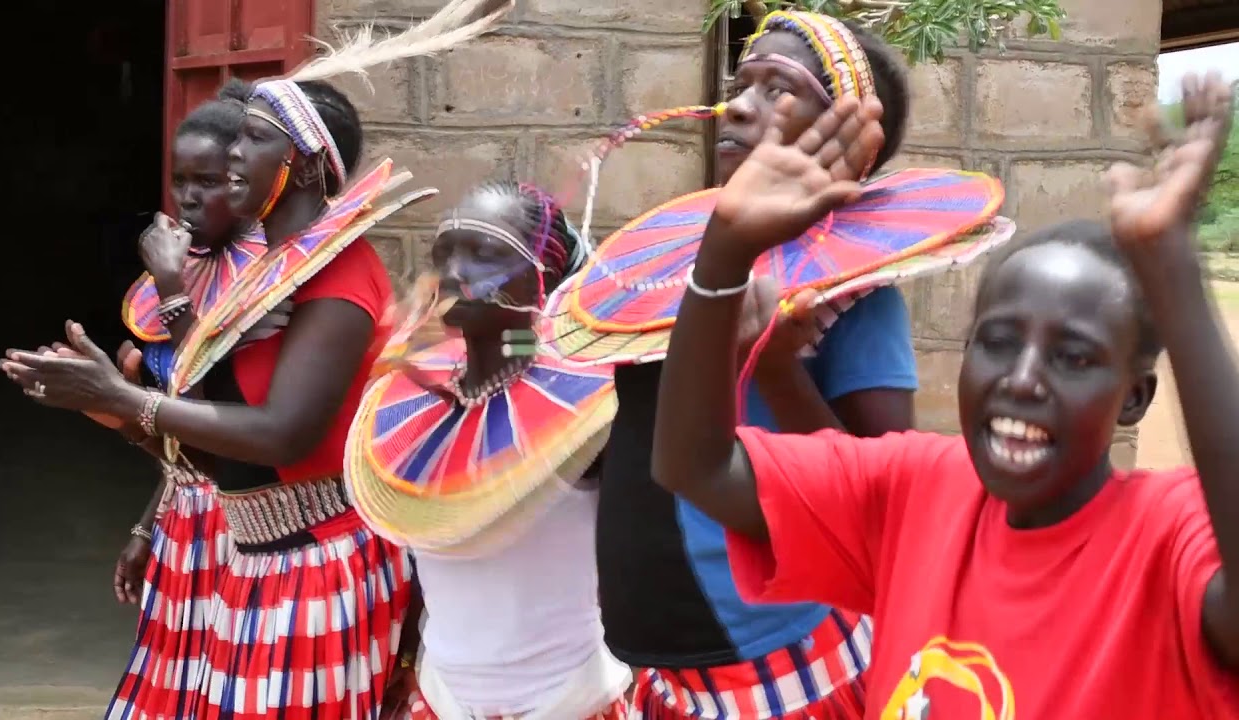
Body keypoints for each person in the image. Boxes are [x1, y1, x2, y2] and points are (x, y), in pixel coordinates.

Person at [652, 72, 1239, 717]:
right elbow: (695, 466)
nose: (1021, 379)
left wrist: (1173, 274)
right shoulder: (916, 491)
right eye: (997, 342)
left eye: (1073, 357)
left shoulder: (1162, 533)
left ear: (1133, 398)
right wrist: (725, 252)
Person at [0, 3, 513, 711]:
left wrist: (128, 398)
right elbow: (218, 448)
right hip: (254, 559)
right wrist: (107, 406)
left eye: (253, 141)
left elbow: (283, 434)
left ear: (301, 164)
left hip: (318, 565)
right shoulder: (267, 272)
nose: (231, 154)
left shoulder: (339, 275)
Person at [596, 12, 913, 718]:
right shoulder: (682, 265)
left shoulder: (854, 293)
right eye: (742, 83)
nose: (736, 106)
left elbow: (884, 505)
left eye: (778, 88)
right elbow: (610, 409)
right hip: (660, 673)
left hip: (778, 666)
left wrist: (772, 362)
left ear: (848, 134)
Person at [346, 181, 630, 719]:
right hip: (443, 698)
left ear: (539, 276)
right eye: (443, 252)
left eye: (484, 253)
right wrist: (401, 665)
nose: (453, 271)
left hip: (572, 700)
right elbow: (425, 547)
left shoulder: (588, 414)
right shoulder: (413, 398)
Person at [105, 80, 269, 720]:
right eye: (180, 182)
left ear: (248, 181)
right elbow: (177, 439)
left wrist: (174, 288)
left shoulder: (271, 280)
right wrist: (147, 524)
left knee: (226, 690)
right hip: (186, 516)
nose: (190, 198)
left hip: (248, 524)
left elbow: (214, 416)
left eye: (212, 181)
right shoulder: (182, 268)